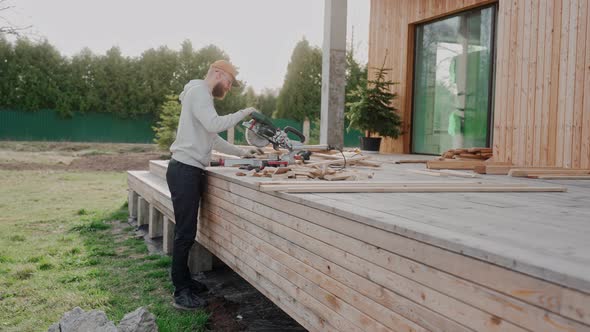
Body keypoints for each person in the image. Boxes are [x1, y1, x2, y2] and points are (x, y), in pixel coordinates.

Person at [166, 59, 257, 310]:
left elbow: (213, 138)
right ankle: (180, 291)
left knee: (188, 231)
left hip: (189, 170)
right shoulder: (200, 93)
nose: (228, 88)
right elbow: (215, 125)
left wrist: (242, 153)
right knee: (185, 233)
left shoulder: (199, 95)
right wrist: (244, 112)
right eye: (228, 82)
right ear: (218, 73)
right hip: (184, 170)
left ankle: (185, 280)